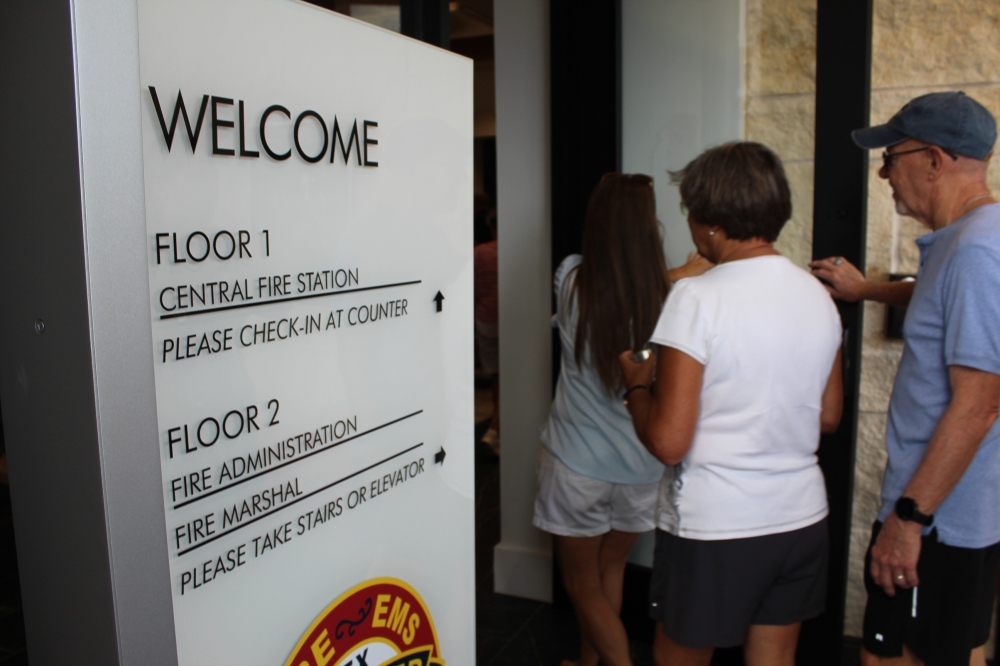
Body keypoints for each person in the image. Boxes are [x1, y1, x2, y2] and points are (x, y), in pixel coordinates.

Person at [620, 142, 844, 666]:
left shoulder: (697, 297)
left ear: (710, 222)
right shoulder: (817, 294)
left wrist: (637, 388)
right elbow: (829, 415)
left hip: (716, 523)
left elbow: (669, 442)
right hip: (800, 517)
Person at [810, 91, 1000, 666]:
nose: (884, 173)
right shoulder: (966, 240)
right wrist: (867, 290)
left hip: (939, 518)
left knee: (889, 658)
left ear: (934, 161)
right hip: (956, 510)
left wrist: (909, 520)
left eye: (892, 157)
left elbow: (979, 405)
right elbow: (937, 300)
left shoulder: (976, 252)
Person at [533, 173, 711, 666]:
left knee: (581, 582)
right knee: (610, 571)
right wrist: (679, 274)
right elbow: (640, 292)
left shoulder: (571, 276)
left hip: (576, 465)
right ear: (647, 228)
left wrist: (675, 275)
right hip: (640, 467)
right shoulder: (670, 299)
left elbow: (614, 293)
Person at [474, 208, 500, 453]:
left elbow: (472, 290)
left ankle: (495, 425)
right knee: (510, 376)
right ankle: (495, 429)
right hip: (511, 319)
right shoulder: (511, 251)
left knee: (496, 377)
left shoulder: (479, 253)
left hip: (486, 322)